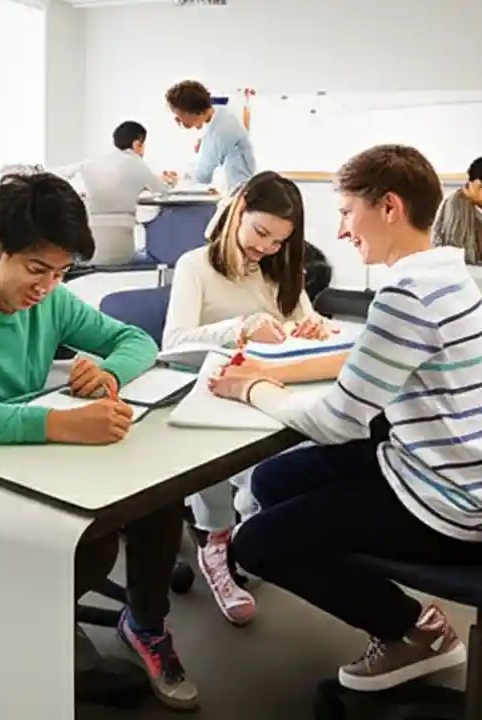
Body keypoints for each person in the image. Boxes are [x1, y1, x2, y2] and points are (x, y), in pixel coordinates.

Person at [210, 144, 482, 693]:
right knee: (270, 479)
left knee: (255, 543)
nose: (340, 231)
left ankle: (413, 631)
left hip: (453, 505)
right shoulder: (442, 276)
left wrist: (255, 385)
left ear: (388, 208)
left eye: (345, 213)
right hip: (470, 475)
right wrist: (276, 372)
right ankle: (348, 559)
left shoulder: (409, 293)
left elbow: (336, 423)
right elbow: (374, 362)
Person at [0, 172, 199, 711]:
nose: (45, 287)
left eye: (61, 273)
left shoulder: (49, 302)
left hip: (31, 464)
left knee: (158, 492)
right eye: (36, 269)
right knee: (96, 538)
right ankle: (26, 633)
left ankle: (142, 625)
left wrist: (108, 374)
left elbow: (134, 341)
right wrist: (59, 424)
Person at [161, 170, 341, 627]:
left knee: (297, 463)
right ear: (238, 209)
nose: (265, 248)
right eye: (261, 233)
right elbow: (174, 341)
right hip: (211, 393)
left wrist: (314, 326)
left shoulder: (280, 270)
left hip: (269, 393)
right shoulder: (194, 266)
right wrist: (240, 326)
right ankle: (216, 543)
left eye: (279, 241)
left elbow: (309, 321)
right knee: (216, 453)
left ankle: (249, 532)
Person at [52, 121, 177, 265]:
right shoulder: (137, 163)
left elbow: (59, 173)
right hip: (121, 250)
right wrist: (170, 181)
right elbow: (162, 191)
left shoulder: (93, 163)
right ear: (137, 144)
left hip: (90, 249)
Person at [165, 80, 257, 192]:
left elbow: (202, 175)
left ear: (192, 111)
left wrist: (180, 178)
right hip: (233, 189)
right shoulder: (219, 116)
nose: (179, 121)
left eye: (179, 116)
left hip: (239, 193)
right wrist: (182, 175)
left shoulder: (222, 129)